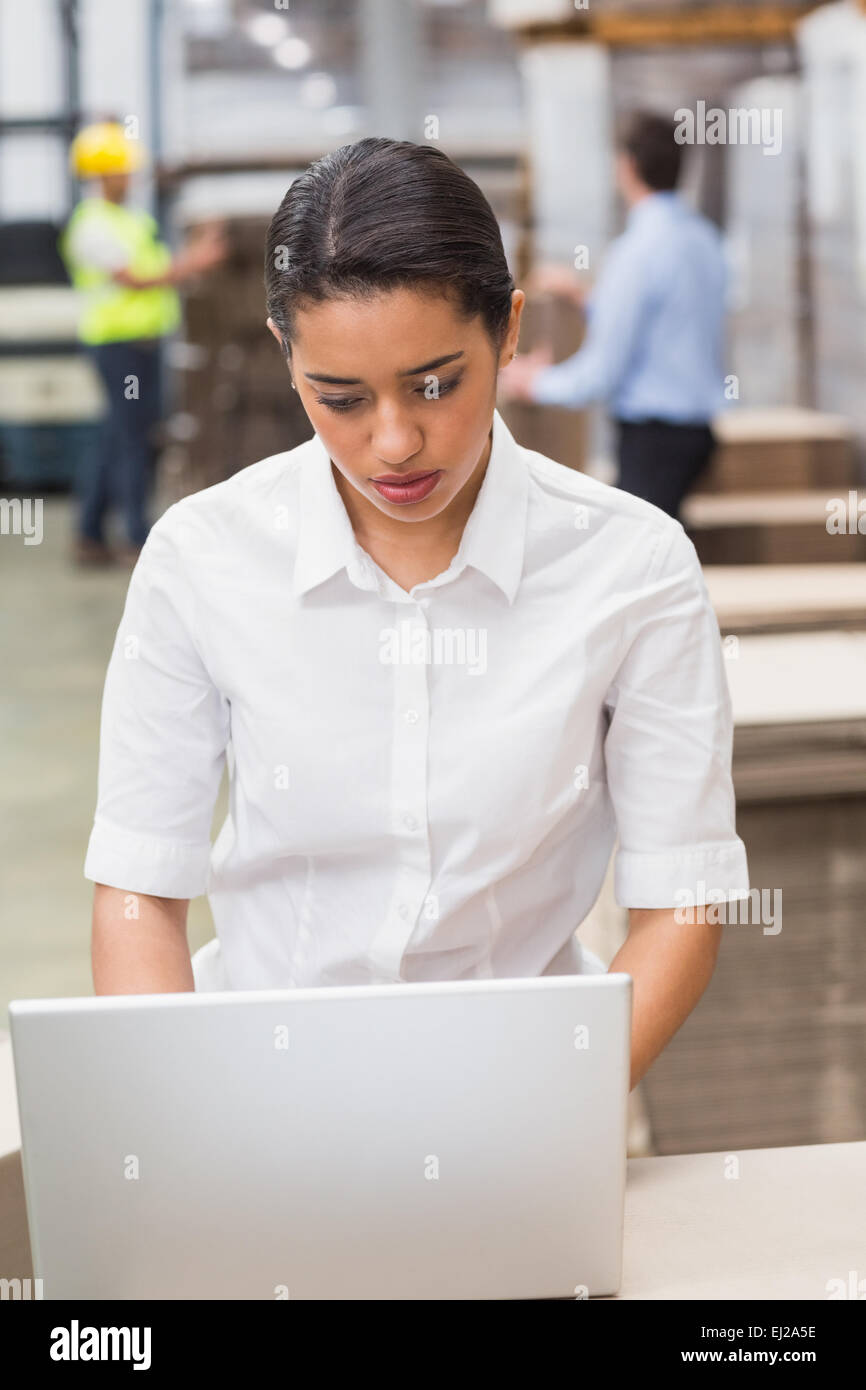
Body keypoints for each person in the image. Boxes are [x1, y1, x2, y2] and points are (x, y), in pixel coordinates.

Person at [84, 137, 748, 1092]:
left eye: (436, 384)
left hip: (529, 1092)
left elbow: (682, 900)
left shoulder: (632, 570)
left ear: (510, 331)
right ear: (287, 355)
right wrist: (189, 1126)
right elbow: (141, 890)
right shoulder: (204, 560)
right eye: (340, 398)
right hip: (258, 1093)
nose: (392, 444)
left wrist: (548, 1112)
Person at [500, 110, 728, 522]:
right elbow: (669, 323)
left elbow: (599, 374)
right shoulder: (705, 241)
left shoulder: (636, 252)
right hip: (697, 434)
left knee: (640, 567)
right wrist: (588, 299)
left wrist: (533, 382)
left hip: (653, 442)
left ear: (627, 166)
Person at [60, 121, 226, 566]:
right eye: (122, 170)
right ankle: (137, 536)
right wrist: (195, 262)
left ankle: (90, 535)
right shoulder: (92, 226)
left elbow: (154, 266)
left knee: (118, 436)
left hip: (141, 344)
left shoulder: (127, 219)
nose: (130, 177)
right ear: (102, 175)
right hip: (119, 346)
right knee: (133, 439)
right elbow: (135, 279)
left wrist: (190, 252)